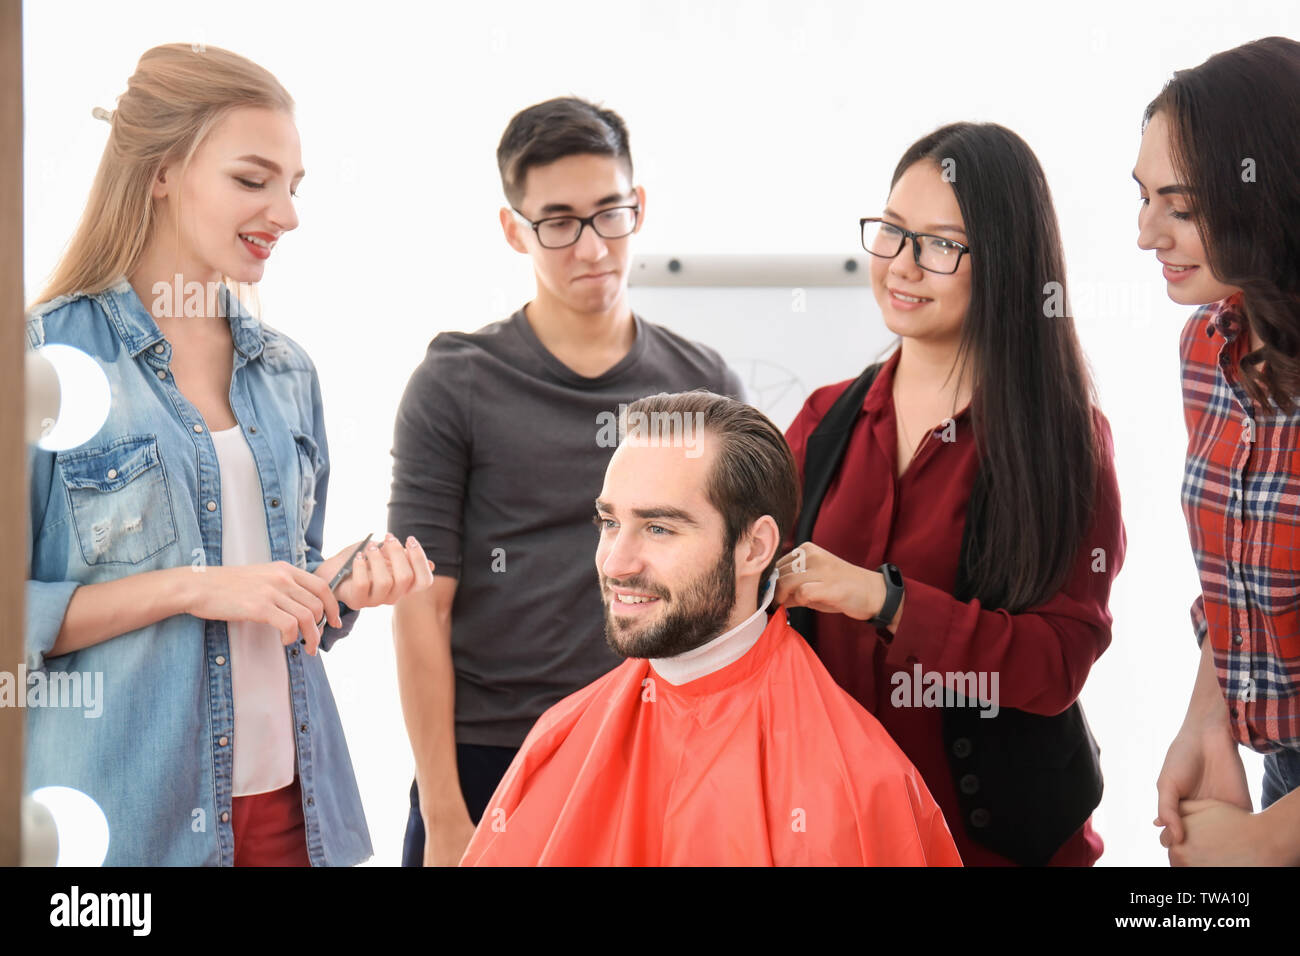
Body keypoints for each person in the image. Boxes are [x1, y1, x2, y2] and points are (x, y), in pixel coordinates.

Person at [24, 44, 433, 866]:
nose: (286, 214)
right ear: (160, 172)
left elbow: (275, 587)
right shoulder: (43, 365)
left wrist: (333, 585)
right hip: (130, 831)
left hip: (295, 815)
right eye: (253, 180)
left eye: (293, 186)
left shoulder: (286, 371)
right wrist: (193, 588)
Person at [389, 97, 745, 866]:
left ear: (638, 205)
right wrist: (445, 813)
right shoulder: (457, 381)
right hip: (492, 756)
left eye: (609, 213)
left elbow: (735, 599)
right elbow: (421, 605)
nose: (591, 247)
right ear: (514, 228)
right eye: (557, 222)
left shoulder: (704, 385)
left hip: (655, 747)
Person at [775, 122, 1126, 866]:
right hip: (842, 842)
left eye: (940, 244)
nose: (902, 265)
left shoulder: (1066, 443)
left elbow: (1056, 665)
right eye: (892, 232)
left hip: (996, 850)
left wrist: (884, 600)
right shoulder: (822, 420)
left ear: (1005, 264)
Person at [459, 391, 961, 866]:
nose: (615, 564)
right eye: (609, 523)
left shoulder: (857, 781)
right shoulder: (560, 737)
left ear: (754, 547)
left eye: (659, 528)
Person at [1141, 37, 1300, 866]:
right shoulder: (1208, 347)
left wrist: (1269, 841)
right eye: (1143, 198)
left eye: (1180, 206)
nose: (1145, 235)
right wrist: (1208, 718)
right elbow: (1241, 573)